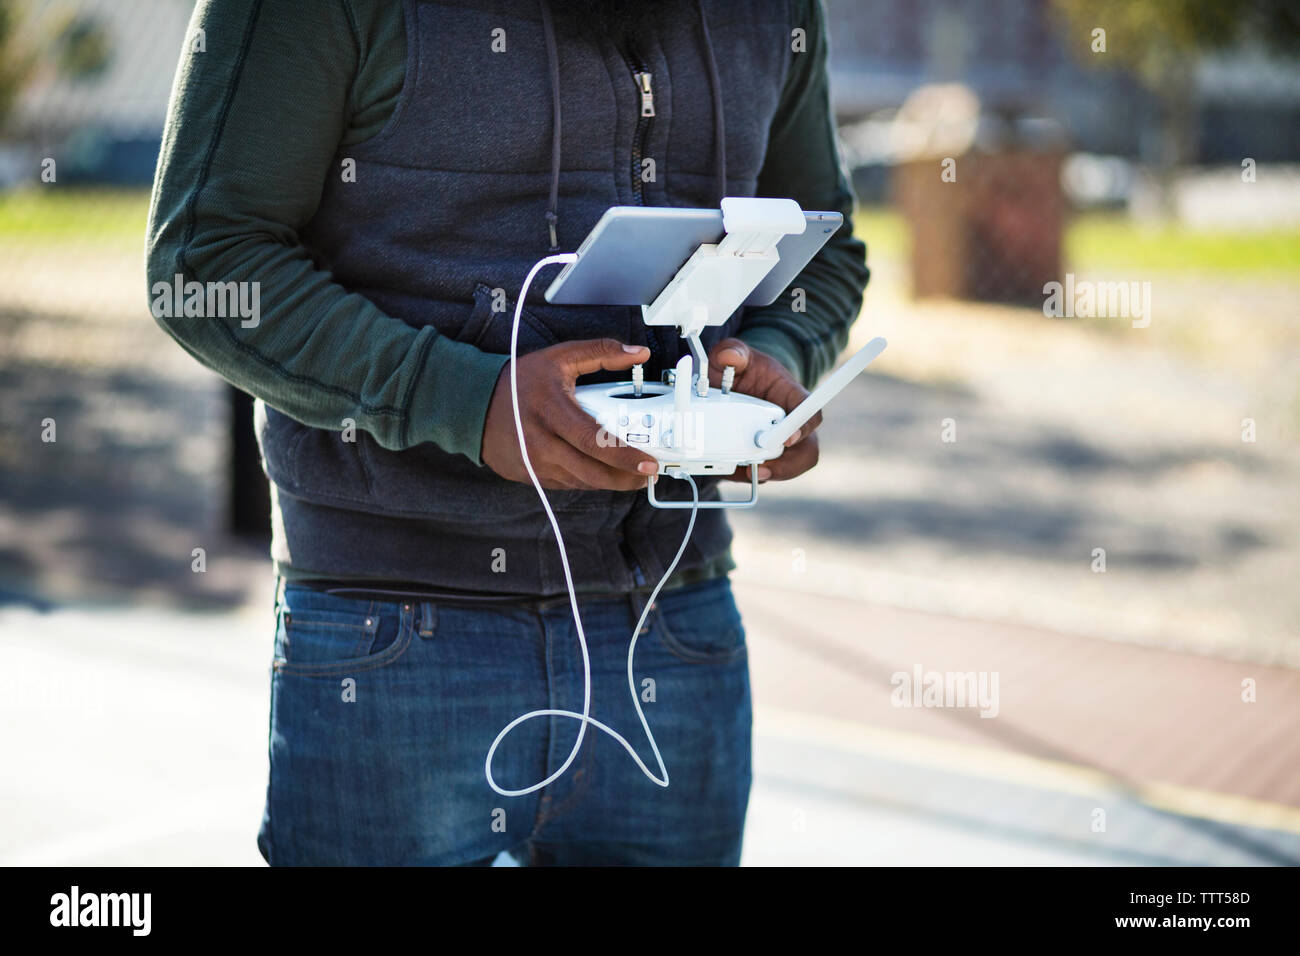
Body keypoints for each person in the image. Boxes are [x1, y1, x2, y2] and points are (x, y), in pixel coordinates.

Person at [147, 0, 868, 866]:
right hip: (391, 632)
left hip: (672, 623)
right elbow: (205, 260)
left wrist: (772, 361)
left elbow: (825, 250)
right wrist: (464, 401)